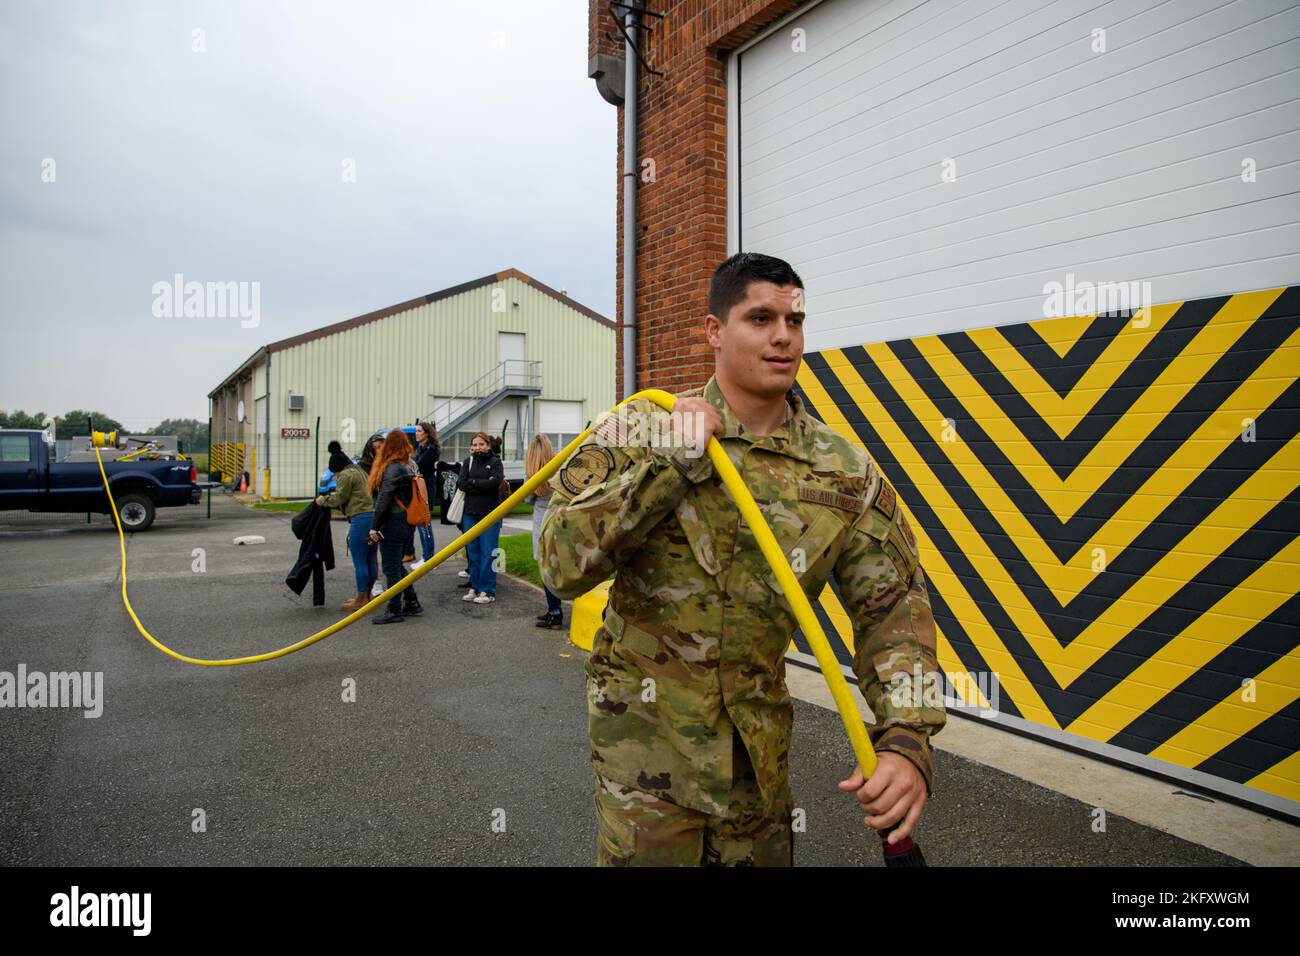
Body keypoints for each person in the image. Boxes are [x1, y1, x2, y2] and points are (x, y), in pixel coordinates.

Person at [539, 252, 946, 867]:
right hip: (645, 764)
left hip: (755, 770)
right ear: (713, 331)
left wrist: (907, 739)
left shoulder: (842, 468)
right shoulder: (638, 428)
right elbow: (560, 564)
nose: (783, 335)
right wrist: (670, 465)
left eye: (794, 319)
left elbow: (896, 606)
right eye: (760, 318)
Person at [367, 428, 423, 625]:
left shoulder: (392, 468)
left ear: (388, 446)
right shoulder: (408, 465)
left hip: (394, 522)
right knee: (397, 564)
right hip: (406, 521)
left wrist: (374, 527)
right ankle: (411, 601)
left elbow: (384, 499)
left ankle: (394, 608)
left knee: (391, 566)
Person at [315, 440, 377, 612]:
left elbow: (340, 497)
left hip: (360, 518)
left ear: (337, 469)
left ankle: (361, 598)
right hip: (373, 517)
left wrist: (322, 500)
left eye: (335, 474)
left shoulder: (346, 475)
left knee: (359, 559)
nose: (336, 476)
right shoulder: (360, 471)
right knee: (371, 558)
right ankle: (369, 595)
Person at [456, 431, 504, 605]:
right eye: (474, 445)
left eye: (481, 444)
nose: (477, 447)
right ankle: (474, 588)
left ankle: (487, 590)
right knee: (473, 553)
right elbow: (461, 484)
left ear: (488, 445)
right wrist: (480, 484)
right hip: (469, 513)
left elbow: (494, 483)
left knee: (488, 553)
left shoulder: (495, 462)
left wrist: (473, 483)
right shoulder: (467, 462)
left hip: (490, 514)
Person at [524, 433, 563, 629]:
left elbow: (527, 498)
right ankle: (554, 610)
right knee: (558, 565)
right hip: (561, 517)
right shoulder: (560, 464)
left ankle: (554, 612)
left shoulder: (533, 472)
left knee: (545, 566)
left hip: (542, 519)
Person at [412, 422, 440, 566]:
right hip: (419, 489)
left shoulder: (430, 450)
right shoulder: (421, 448)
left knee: (425, 526)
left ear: (427, 433)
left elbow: (417, 467)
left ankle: (429, 558)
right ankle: (425, 556)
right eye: (416, 431)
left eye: (419, 431)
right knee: (421, 524)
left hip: (426, 490)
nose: (416, 433)